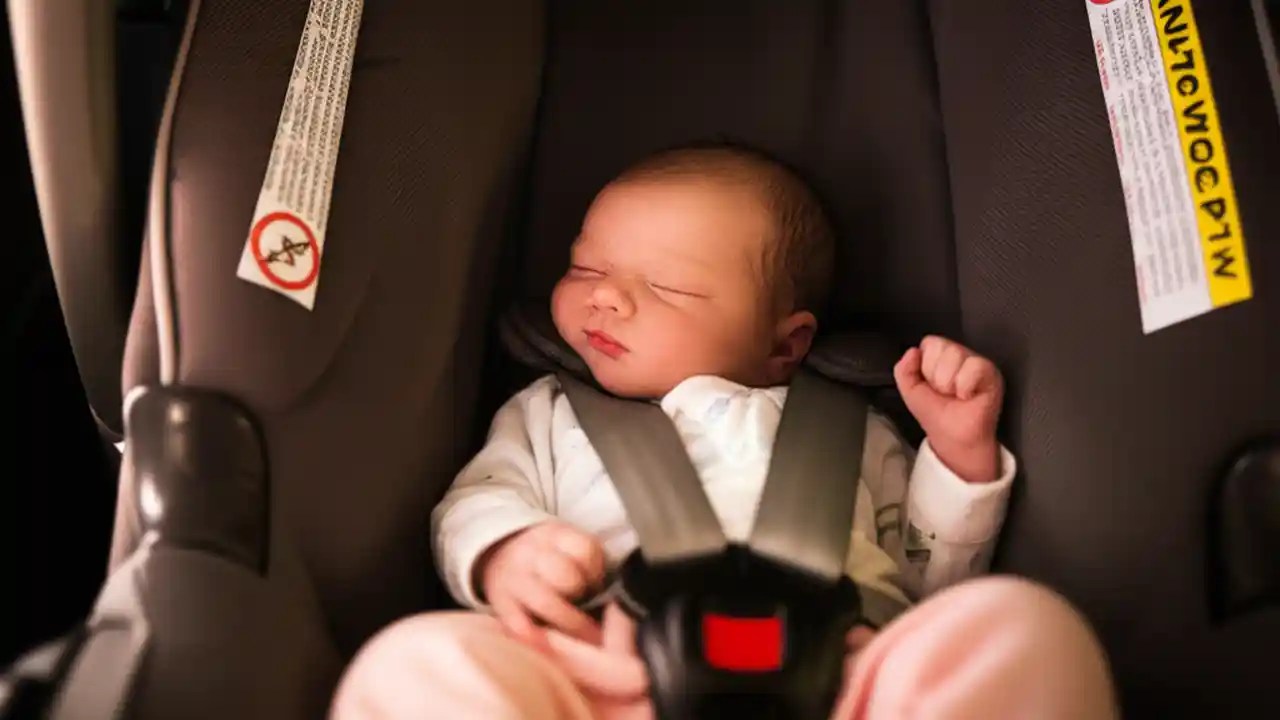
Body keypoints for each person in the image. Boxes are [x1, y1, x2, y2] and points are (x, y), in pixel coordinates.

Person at [330, 144, 1118, 719]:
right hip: (602, 673)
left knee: (1025, 631)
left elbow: (927, 581)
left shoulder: (855, 429)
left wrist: (956, 454)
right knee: (415, 664)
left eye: (665, 287)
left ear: (786, 344)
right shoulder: (549, 411)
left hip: (840, 674)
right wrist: (506, 552)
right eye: (585, 269)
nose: (605, 301)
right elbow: (479, 497)